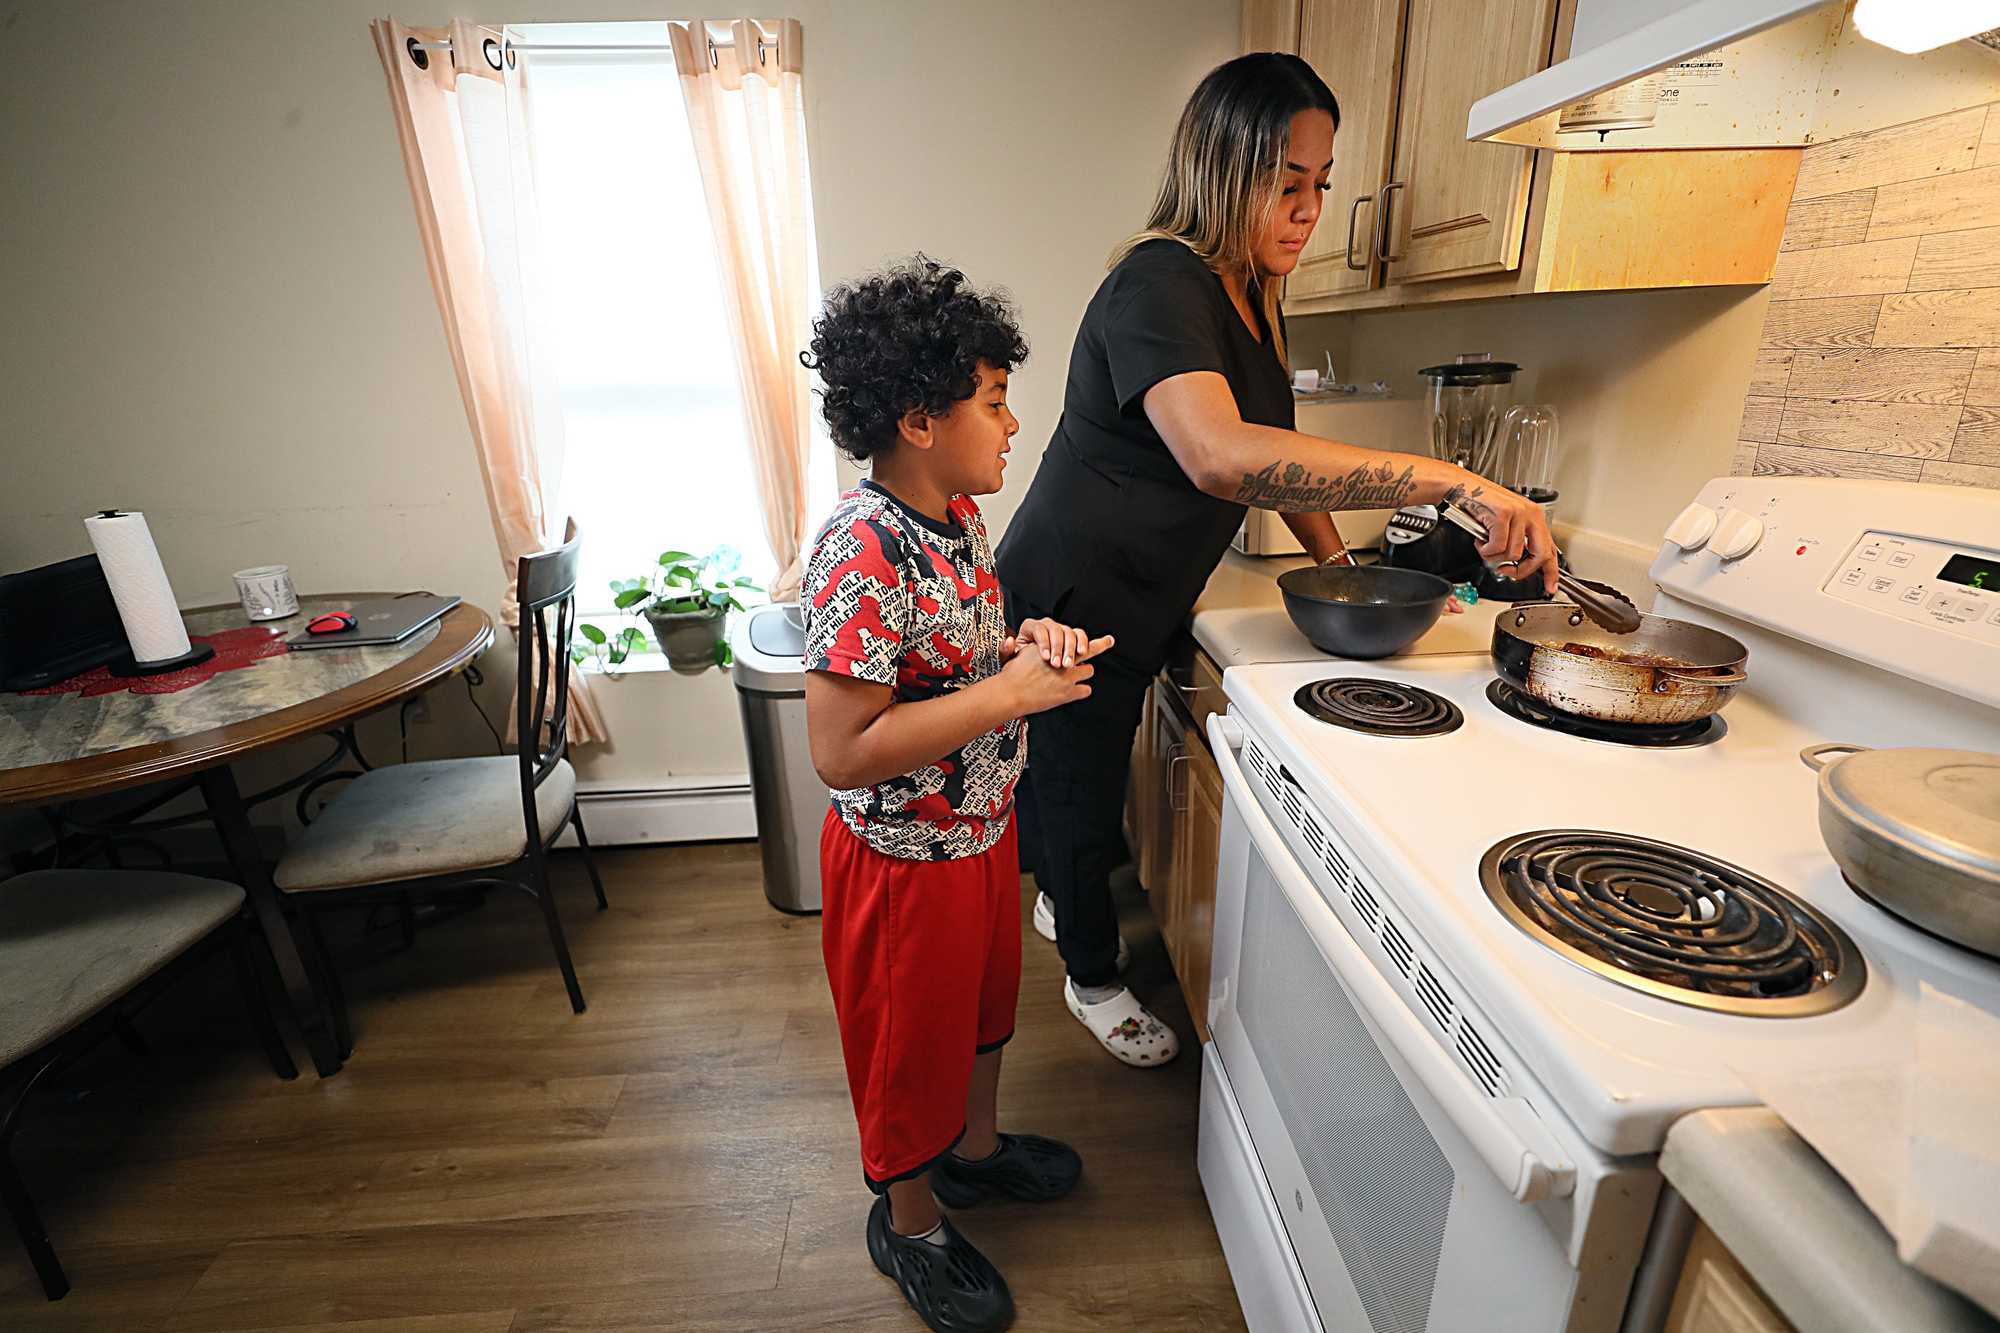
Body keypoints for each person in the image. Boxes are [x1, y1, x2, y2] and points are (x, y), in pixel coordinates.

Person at [996, 53, 1559, 1067]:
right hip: (1070, 589)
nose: (1304, 211)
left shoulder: (1255, 292)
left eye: (1318, 186)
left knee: (1086, 787)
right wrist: (1446, 480)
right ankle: (1091, 975)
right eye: (1282, 183)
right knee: (1076, 791)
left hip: (1149, 588)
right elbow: (1220, 455)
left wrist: (1344, 574)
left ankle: (1064, 899)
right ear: (1222, 169)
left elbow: (1280, 459)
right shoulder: (1156, 281)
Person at [799, 257, 1112, 1333]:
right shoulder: (861, 547)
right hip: (900, 865)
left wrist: (1027, 646)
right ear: (919, 419)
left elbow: (951, 660)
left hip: (977, 835)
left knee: (980, 1020)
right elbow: (842, 752)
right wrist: (1003, 697)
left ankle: (971, 1155)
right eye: (992, 400)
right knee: (908, 1049)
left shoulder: (957, 520)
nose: (1013, 422)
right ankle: (910, 1217)